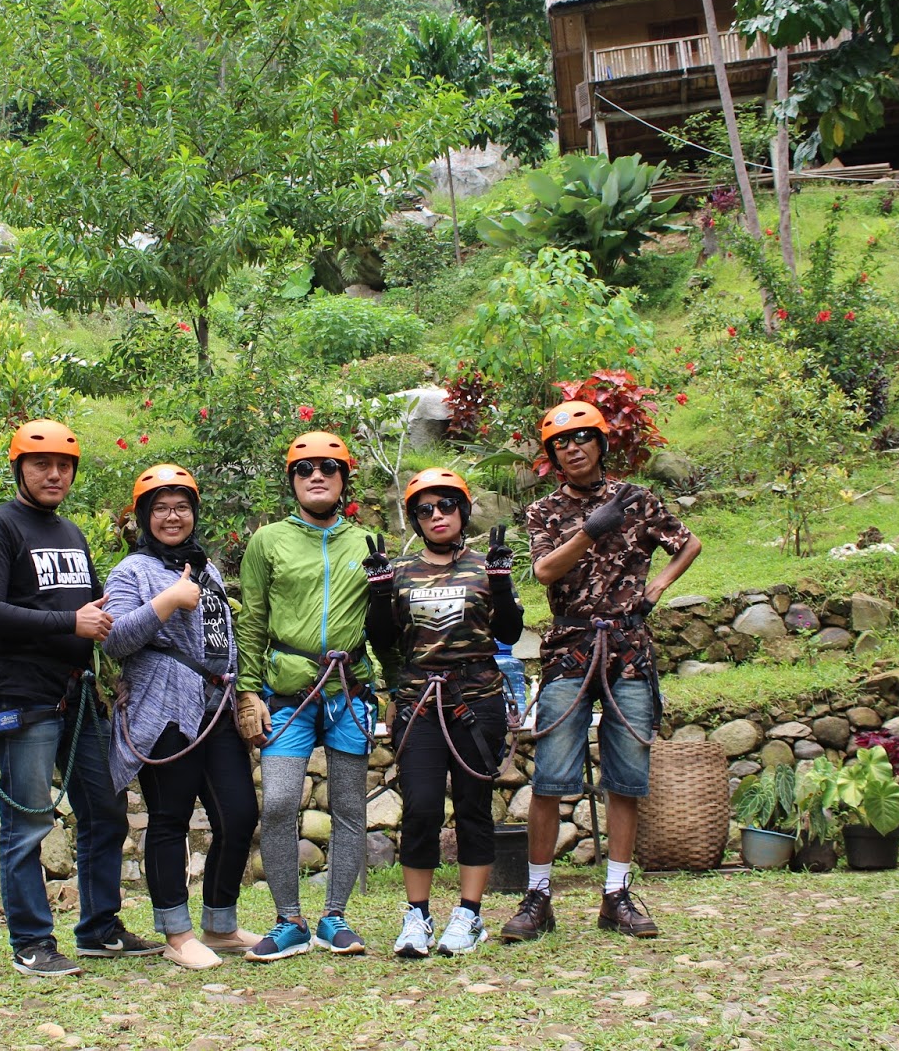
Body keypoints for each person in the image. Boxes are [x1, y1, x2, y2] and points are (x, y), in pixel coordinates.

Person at [0, 419, 162, 977]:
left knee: (106, 811)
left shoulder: (71, 532)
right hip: (23, 696)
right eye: (41, 464)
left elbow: (89, 606)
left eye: (64, 466)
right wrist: (69, 623)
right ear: (19, 469)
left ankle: (99, 929)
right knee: (28, 823)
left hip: (78, 695)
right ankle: (31, 943)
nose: (54, 474)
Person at [504, 400, 701, 943]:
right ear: (552, 456)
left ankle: (617, 894)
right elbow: (545, 570)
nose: (572, 448)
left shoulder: (637, 499)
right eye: (560, 444)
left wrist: (657, 586)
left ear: (600, 443)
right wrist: (590, 531)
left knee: (626, 776)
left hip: (629, 647)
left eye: (582, 438)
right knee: (550, 774)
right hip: (569, 646)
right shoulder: (544, 510)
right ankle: (538, 896)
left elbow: (688, 544)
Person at [102, 464, 262, 971]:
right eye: (161, 509)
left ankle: (220, 923)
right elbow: (114, 639)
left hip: (215, 708)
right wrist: (167, 601)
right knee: (170, 818)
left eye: (181, 507)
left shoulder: (205, 567)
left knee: (238, 814)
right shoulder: (132, 571)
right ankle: (177, 933)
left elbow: (221, 639)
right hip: (165, 710)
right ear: (143, 517)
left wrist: (242, 694)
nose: (172, 517)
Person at [365, 468, 524, 959]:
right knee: (422, 808)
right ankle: (418, 915)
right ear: (415, 519)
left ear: (463, 511)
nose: (437, 515)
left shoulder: (485, 566)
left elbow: (511, 633)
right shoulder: (401, 572)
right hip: (419, 703)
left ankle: (469, 915)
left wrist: (501, 584)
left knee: (474, 807)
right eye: (425, 510)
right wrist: (378, 591)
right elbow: (382, 640)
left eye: (447, 505)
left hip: (477, 701)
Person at [234, 431, 376, 962]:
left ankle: (334, 916)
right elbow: (252, 621)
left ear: (343, 480)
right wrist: (248, 692)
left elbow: (384, 623)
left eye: (328, 468)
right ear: (292, 480)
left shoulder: (366, 544)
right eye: (304, 468)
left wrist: (389, 684)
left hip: (348, 690)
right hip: (287, 692)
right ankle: (288, 920)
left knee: (349, 807)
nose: (316, 475)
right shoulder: (267, 541)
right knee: (277, 804)